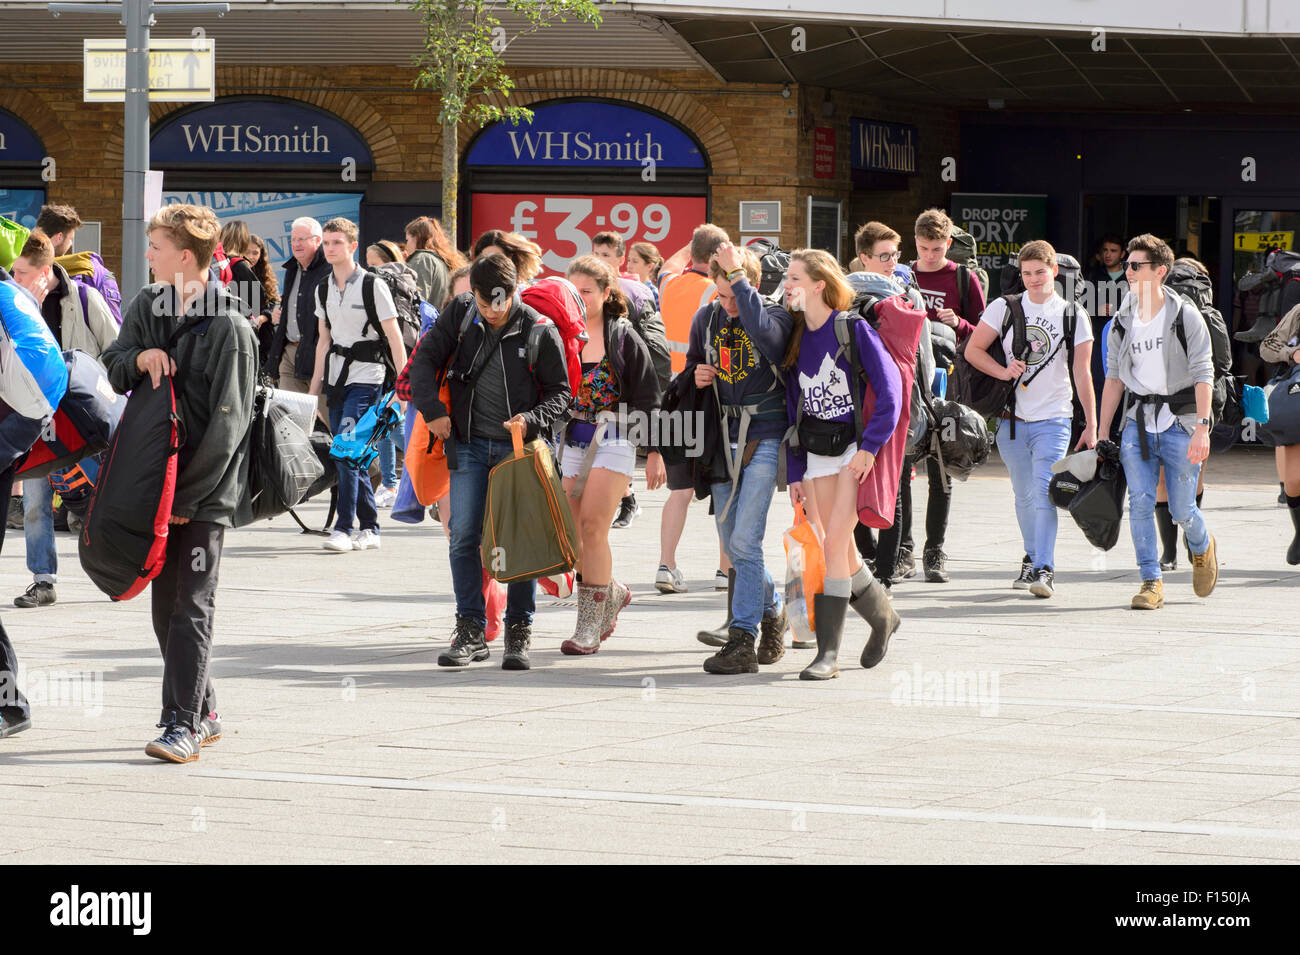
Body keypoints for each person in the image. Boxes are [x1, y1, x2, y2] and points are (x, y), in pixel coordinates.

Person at [100, 202, 258, 762]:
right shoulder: (148, 304)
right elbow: (111, 362)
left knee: (191, 605)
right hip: (153, 482)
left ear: (185, 257)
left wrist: (188, 499)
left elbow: (230, 425)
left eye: (157, 248)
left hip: (204, 492)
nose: (147, 256)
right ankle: (205, 711)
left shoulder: (231, 326)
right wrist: (140, 355)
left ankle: (180, 726)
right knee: (163, 608)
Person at [408, 253, 571, 670]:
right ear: (473, 295)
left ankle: (519, 630)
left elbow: (561, 393)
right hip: (468, 445)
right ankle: (471, 630)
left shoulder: (539, 328)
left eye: (502, 302)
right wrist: (433, 411)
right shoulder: (460, 313)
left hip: (518, 452)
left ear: (515, 291)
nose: (494, 312)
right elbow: (423, 362)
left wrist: (531, 419)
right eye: (485, 304)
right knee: (463, 535)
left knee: (518, 539)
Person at [784, 250, 902, 680]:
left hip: (855, 451)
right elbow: (792, 409)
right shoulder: (796, 336)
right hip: (816, 452)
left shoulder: (852, 328)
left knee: (834, 543)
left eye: (794, 277)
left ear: (819, 284)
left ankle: (827, 655)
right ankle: (884, 616)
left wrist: (870, 447)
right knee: (841, 548)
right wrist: (794, 471)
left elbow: (891, 392)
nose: (787, 285)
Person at [963, 240, 1097, 597]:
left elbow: (1083, 374)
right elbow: (973, 350)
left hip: (1054, 416)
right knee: (1023, 495)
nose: (1034, 279)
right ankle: (1032, 557)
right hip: (1011, 418)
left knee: (1044, 492)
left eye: (1040, 272)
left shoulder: (1073, 315)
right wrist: (1004, 371)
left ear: (1054, 271)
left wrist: (1093, 424)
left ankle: (1044, 568)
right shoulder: (1003, 307)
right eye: (1027, 274)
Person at [1098, 233, 1220, 609]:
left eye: (1136, 266)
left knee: (1182, 509)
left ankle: (1202, 546)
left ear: (1160, 271)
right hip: (1138, 420)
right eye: (1128, 265)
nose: (1129, 272)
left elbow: (1204, 372)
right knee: (1140, 502)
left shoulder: (1185, 315)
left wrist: (1203, 427)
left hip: (1182, 421)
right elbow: (1115, 379)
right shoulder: (1123, 318)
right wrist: (1102, 432)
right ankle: (1151, 580)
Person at [690, 243, 794, 673]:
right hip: (722, 439)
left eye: (735, 294)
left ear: (750, 284)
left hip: (765, 436)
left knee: (746, 542)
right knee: (734, 545)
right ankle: (774, 612)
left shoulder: (776, 314)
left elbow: (768, 340)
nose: (729, 305)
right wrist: (695, 374)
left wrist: (739, 282)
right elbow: (692, 366)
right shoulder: (708, 317)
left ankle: (741, 639)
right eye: (722, 296)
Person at [7, 230, 118, 609]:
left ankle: (121, 566)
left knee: (107, 492)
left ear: (43, 270)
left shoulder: (84, 299)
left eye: (20, 273)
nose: (14, 279)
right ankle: (43, 579)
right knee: (36, 502)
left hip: (81, 416)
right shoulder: (15, 305)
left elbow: (115, 349)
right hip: (36, 419)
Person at [558, 256, 663, 654]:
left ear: (606, 293)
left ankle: (588, 627)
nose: (580, 298)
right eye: (574, 290)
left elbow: (649, 397)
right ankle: (612, 592)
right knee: (571, 534)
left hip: (617, 437)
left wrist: (655, 451)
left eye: (587, 291)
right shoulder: (560, 332)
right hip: (572, 438)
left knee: (592, 526)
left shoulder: (623, 337)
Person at [307, 217, 407, 553]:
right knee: (351, 455)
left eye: (337, 242)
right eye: (327, 242)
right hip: (337, 378)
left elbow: (394, 338)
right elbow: (324, 341)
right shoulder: (323, 287)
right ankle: (371, 527)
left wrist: (404, 389)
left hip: (367, 378)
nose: (331, 248)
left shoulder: (371, 285)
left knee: (347, 449)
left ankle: (344, 528)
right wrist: (313, 390)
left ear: (352, 246)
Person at [909, 208, 985, 584]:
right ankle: (903, 547)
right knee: (903, 471)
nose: (930, 256)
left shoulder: (964, 277)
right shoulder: (904, 274)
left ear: (949, 244)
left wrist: (960, 323)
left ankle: (934, 552)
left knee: (941, 469)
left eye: (937, 249)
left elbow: (986, 334)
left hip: (949, 384)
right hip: (910, 383)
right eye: (924, 248)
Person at [654, 224, 727, 594]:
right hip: (705, 398)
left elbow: (669, 263)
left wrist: (695, 242)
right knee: (723, 488)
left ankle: (666, 565)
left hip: (671, 398)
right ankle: (724, 570)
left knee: (679, 490)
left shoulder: (668, 285)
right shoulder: (717, 292)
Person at [365, 240, 418, 507]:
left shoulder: (384, 284)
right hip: (396, 361)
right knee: (384, 424)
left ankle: (410, 470)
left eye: (373, 263)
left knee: (389, 425)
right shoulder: (408, 282)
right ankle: (390, 483)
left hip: (385, 361)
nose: (369, 269)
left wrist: (400, 375)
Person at [264, 217, 331, 426]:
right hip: (289, 354)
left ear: (317, 240)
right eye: (293, 239)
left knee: (328, 424)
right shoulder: (293, 268)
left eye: (302, 239)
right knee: (290, 424)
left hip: (318, 356)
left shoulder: (330, 271)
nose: (296, 244)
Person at [1259, 304, 1300, 562]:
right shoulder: (1298, 313)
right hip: (1297, 397)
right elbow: (1267, 347)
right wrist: (1292, 352)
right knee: (1293, 480)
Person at [404, 216, 463, 307]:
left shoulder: (422, 259)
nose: (406, 245)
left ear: (417, 238)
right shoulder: (442, 261)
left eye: (407, 240)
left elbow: (417, 303)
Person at [472, 230, 543, 286]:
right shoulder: (468, 286)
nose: (491, 262)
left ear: (510, 258)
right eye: (485, 258)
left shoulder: (525, 290)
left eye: (497, 258)